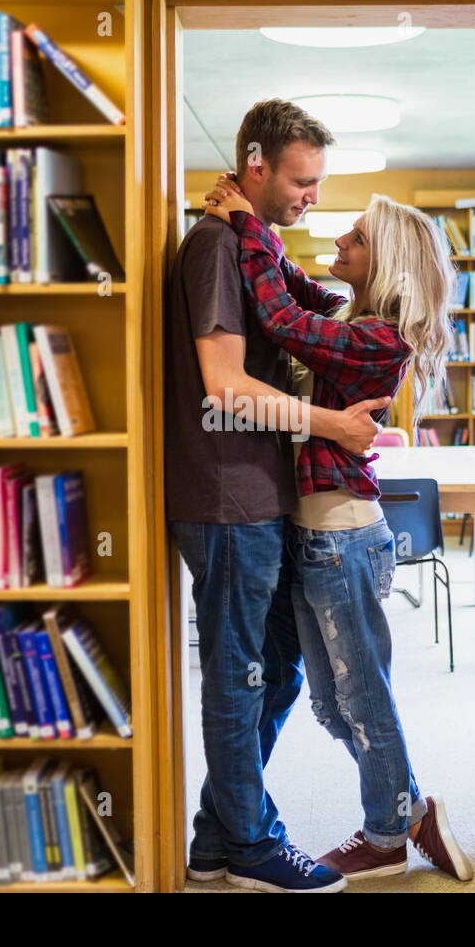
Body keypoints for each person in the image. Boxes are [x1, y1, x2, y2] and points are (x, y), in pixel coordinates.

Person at [203, 172, 475, 882]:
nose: (338, 238)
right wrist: (255, 231)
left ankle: (389, 835)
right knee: (330, 702)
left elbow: (281, 319)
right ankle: (408, 810)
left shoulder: (376, 339)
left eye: (354, 237)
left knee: (360, 697)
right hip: (318, 535)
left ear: (382, 259)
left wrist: (245, 226)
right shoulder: (352, 317)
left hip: (343, 540)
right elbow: (293, 287)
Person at [164, 99, 389, 893]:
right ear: (255, 165)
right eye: (302, 180)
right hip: (227, 493)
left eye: (319, 183)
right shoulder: (214, 247)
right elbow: (225, 388)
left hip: (258, 491)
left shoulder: (243, 245)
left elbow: (302, 310)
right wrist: (332, 419)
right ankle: (249, 846)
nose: (312, 198)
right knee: (241, 673)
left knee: (276, 669)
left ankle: (219, 836)